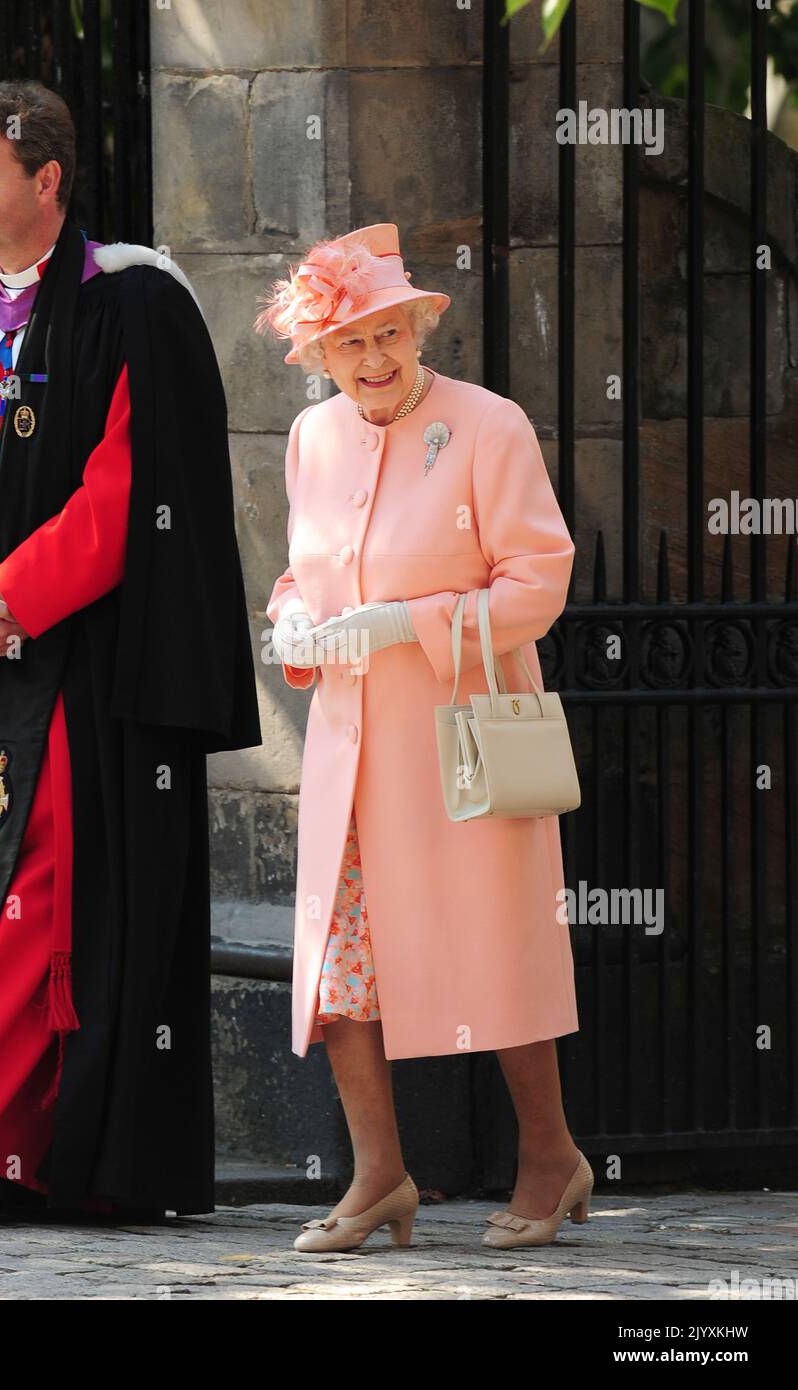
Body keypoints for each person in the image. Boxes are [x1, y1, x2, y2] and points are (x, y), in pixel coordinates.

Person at [0, 79, 261, 1222]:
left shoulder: (136, 303)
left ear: (48, 178)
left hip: (93, 670)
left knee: (48, 894)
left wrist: (11, 595)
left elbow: (127, 492)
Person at [255, 223, 592, 1252]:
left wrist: (413, 620)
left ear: (416, 327)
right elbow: (302, 572)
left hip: (459, 742)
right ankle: (380, 1175)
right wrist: (289, 620)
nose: (373, 358)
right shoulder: (312, 439)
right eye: (349, 343)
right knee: (343, 966)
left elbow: (540, 582)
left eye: (388, 333)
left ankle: (551, 1155)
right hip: (347, 749)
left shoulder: (488, 427)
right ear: (319, 355)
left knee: (495, 944)